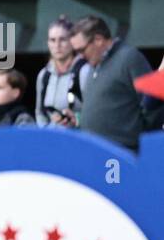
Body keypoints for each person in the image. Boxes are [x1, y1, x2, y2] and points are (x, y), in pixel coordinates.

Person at [69, 16, 164, 150]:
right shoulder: (94, 65)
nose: (80, 56)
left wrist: (141, 144)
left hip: (124, 153)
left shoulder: (129, 58)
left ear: (98, 39)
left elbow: (153, 105)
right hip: (96, 153)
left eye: (81, 50)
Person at [34, 16, 87, 127]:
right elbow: (40, 112)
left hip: (79, 138)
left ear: (72, 41)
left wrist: (76, 119)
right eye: (52, 40)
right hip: (52, 140)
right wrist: (46, 131)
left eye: (62, 39)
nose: (57, 45)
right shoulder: (44, 75)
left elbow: (96, 112)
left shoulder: (84, 71)